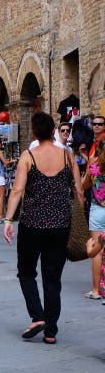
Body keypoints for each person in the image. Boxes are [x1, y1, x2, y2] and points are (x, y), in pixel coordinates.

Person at [3, 112, 83, 344]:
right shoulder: (68, 156)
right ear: (53, 131)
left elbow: (17, 191)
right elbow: (78, 191)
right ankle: (50, 331)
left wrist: (8, 220)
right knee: (52, 278)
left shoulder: (28, 157)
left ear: (35, 132)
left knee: (26, 272)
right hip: (60, 225)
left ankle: (37, 316)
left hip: (31, 225)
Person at [82, 117, 105, 299]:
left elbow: (84, 185)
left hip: (98, 209)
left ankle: (96, 290)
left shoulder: (94, 166)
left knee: (96, 250)